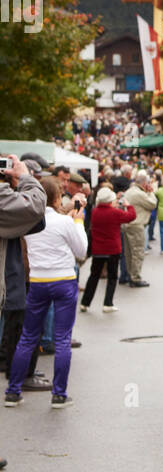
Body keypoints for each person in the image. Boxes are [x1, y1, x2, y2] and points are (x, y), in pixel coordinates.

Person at [4, 177, 88, 409]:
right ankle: (59, 394)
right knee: (62, 339)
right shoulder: (63, 222)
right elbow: (81, 250)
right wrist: (79, 221)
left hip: (38, 280)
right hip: (63, 279)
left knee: (28, 337)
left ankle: (13, 391)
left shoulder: (28, 222)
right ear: (58, 197)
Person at [0, 158, 49, 440]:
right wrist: (25, 177)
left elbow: (32, 222)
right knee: (20, 329)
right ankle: (18, 380)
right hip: (17, 284)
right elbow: (33, 208)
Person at [80, 188, 136, 312]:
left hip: (98, 249)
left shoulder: (95, 212)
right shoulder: (115, 213)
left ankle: (85, 302)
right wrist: (129, 206)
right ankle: (108, 303)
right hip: (112, 249)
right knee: (112, 277)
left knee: (94, 276)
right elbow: (131, 216)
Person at [121, 171, 156, 287]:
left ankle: (130, 275)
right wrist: (151, 192)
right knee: (137, 252)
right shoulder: (139, 194)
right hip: (136, 225)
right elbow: (152, 204)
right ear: (144, 183)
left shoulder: (130, 191)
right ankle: (135, 278)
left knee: (129, 253)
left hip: (128, 225)